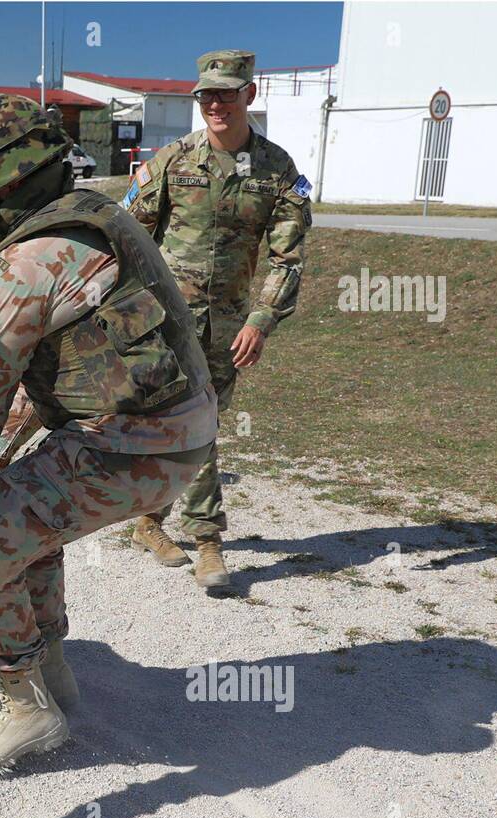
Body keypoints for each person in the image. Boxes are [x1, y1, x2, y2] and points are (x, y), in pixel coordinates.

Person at [0, 94, 218, 773]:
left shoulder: (24, 265)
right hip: (181, 432)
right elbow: (73, 370)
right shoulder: (99, 214)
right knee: (20, 510)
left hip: (131, 446)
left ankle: (24, 704)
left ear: (1, 183)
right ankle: (53, 670)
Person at [124, 49, 312, 588]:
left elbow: (288, 257)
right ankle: (207, 540)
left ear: (249, 94)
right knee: (188, 422)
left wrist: (261, 319)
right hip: (165, 321)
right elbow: (128, 235)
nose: (215, 104)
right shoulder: (172, 161)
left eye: (226, 94)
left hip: (229, 328)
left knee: (194, 424)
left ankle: (149, 518)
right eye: (206, 94)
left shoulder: (277, 171)